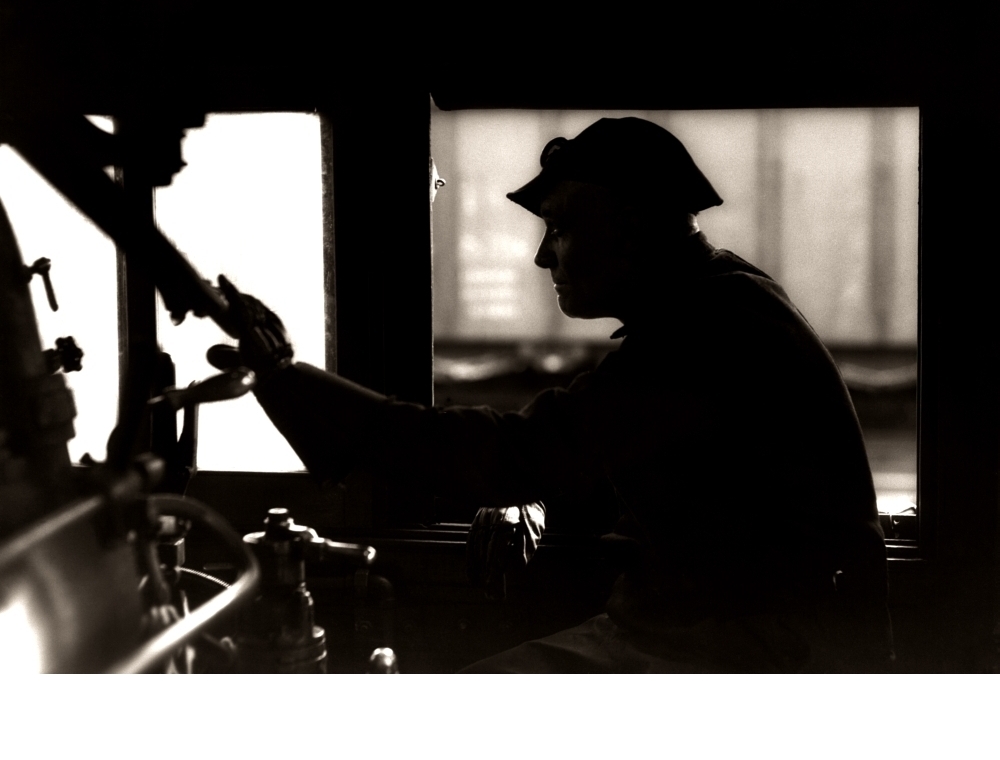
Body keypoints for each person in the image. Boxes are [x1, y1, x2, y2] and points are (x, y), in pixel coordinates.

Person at [214, 116, 892, 673]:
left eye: (561, 229)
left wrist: (284, 379)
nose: (544, 257)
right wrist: (527, 501)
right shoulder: (714, 305)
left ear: (627, 229)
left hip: (758, 653)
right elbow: (614, 458)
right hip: (728, 635)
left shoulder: (706, 331)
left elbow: (522, 453)